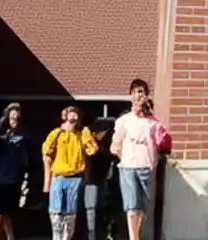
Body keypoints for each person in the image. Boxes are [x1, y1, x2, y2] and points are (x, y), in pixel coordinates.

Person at [111, 80, 173, 240]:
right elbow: (115, 145)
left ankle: (137, 235)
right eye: (136, 92)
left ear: (147, 96)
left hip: (146, 168)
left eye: (142, 92)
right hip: (128, 168)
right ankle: (134, 237)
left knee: (144, 208)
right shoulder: (124, 120)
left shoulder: (153, 123)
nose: (139, 95)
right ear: (131, 96)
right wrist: (123, 156)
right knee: (132, 206)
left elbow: (162, 144)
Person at [0, 103, 37, 240]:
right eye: (11, 118)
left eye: (16, 118)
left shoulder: (25, 139)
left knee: (6, 215)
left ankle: (10, 237)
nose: (14, 122)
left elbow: (30, 161)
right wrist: (1, 125)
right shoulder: (0, 139)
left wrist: (27, 180)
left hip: (13, 181)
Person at [42, 106, 98, 240]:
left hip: (75, 178)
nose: (73, 117)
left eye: (76, 115)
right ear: (65, 117)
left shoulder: (82, 133)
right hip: (58, 176)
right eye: (70, 114)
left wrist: (86, 139)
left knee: (70, 213)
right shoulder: (57, 133)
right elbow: (46, 150)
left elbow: (92, 150)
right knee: (56, 212)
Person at [83, 118, 117, 240]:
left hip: (99, 180)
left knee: (97, 210)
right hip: (91, 180)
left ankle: (97, 234)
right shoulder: (91, 145)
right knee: (92, 209)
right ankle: (92, 236)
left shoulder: (105, 147)